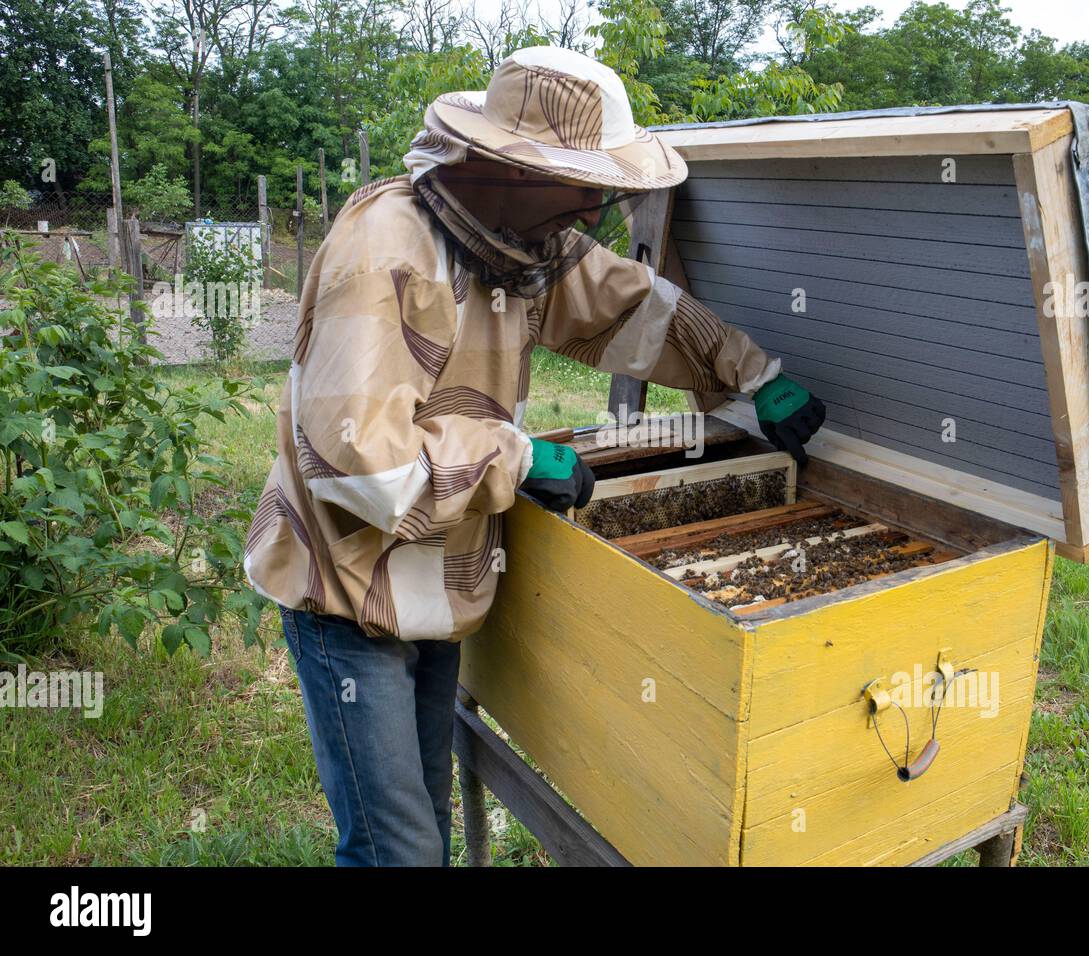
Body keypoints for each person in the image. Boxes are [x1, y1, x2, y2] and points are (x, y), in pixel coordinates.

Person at [243, 45, 826, 866]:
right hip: (344, 591)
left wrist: (750, 372)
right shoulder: (386, 251)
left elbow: (629, 305)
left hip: (437, 579)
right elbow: (360, 466)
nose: (595, 208)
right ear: (513, 168)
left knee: (424, 827)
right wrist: (515, 461)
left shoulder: (519, 242)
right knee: (394, 850)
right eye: (585, 183)